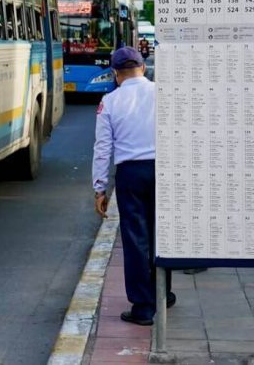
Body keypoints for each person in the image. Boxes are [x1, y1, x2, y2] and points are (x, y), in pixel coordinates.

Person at [92, 46, 173, 325]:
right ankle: (164, 292)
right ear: (143, 67)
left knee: (136, 239)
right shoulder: (164, 93)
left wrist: (100, 188)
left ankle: (143, 306)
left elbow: (102, 148)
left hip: (130, 174)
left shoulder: (110, 101)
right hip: (164, 169)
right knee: (162, 233)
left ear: (115, 74)